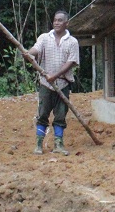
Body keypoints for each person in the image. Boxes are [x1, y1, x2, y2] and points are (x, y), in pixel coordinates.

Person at [27, 10, 79, 155]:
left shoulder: (72, 42)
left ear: (66, 23)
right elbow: (35, 49)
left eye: (60, 20)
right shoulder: (44, 38)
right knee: (43, 113)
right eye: (55, 20)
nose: (56, 22)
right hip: (45, 84)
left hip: (63, 84)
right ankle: (39, 144)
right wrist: (29, 54)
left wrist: (55, 76)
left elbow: (71, 62)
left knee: (60, 115)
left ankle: (58, 144)